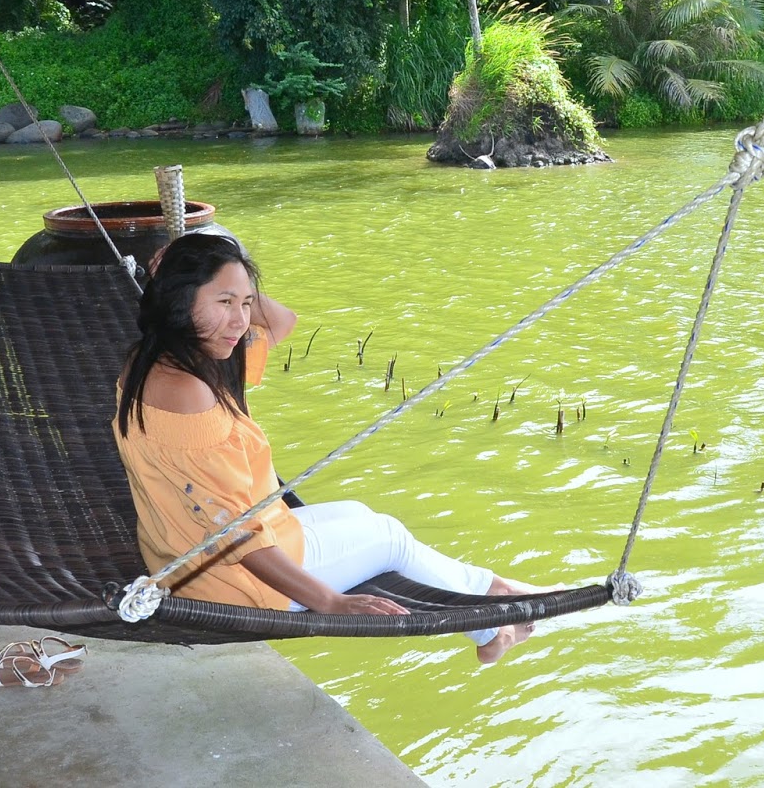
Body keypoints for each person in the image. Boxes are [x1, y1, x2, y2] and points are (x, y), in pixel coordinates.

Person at [113, 233, 536, 664]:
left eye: (245, 303)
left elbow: (282, 322)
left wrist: (229, 270)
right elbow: (232, 536)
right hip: (231, 584)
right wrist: (330, 603)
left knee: (358, 512)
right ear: (178, 299)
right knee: (387, 536)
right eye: (224, 303)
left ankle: (493, 587)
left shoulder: (163, 359)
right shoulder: (189, 391)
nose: (241, 321)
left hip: (180, 553)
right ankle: (490, 623)